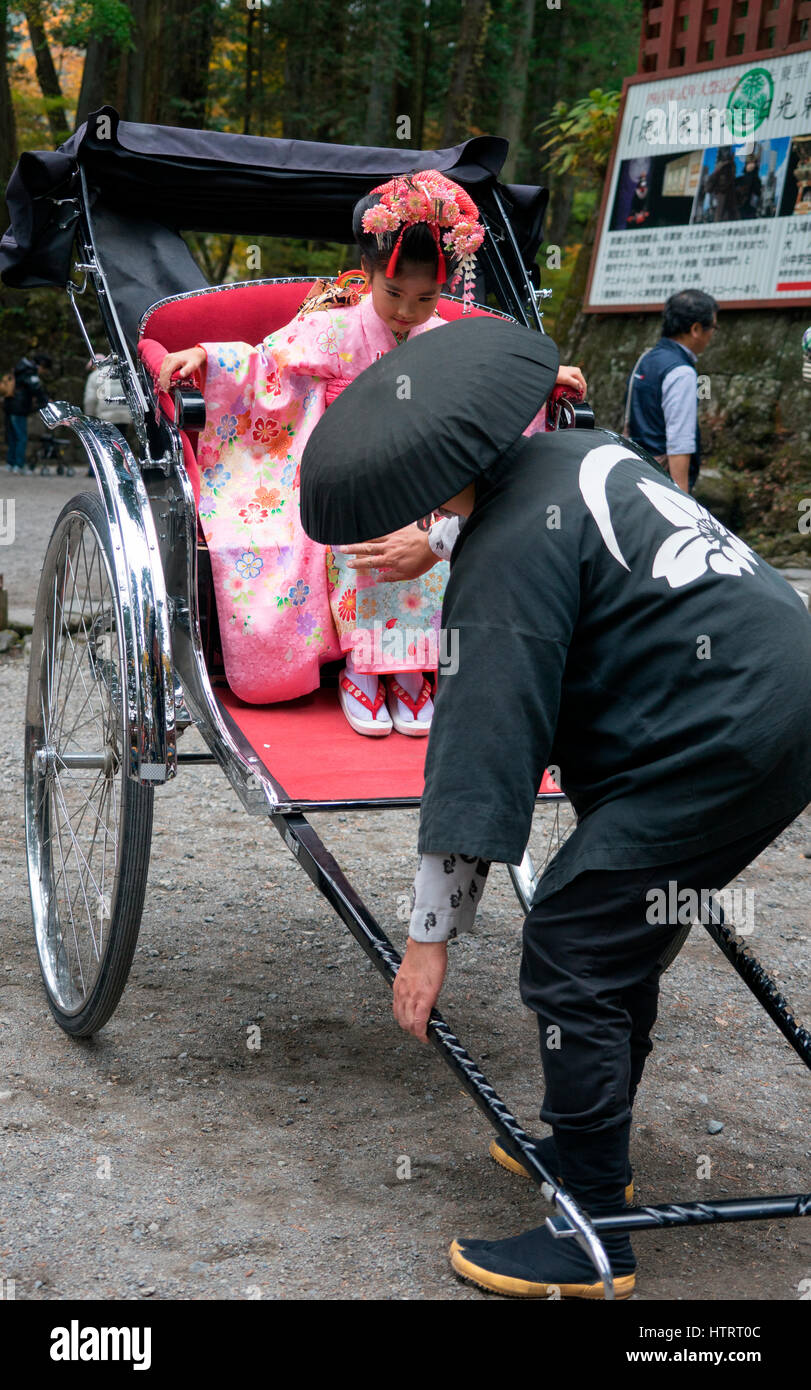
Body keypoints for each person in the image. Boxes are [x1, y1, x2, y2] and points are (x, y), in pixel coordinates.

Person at [300, 315, 811, 1300]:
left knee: (574, 939)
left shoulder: (497, 568)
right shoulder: (583, 449)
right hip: (779, 686)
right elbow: (523, 517)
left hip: (719, 730)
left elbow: (482, 752)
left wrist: (428, 935)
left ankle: (591, 1233)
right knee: (615, 922)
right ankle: (591, 1144)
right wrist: (439, 538)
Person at [157, 171, 585, 734]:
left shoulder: (445, 337)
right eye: (393, 294)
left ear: (445, 292)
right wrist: (208, 358)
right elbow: (266, 365)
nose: (407, 311)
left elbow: (490, 382)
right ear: (368, 276)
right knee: (364, 530)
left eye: (426, 298)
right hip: (342, 466)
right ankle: (364, 664)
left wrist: (544, 377)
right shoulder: (333, 330)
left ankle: (411, 668)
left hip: (424, 471)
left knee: (433, 519)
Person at [624, 287, 717, 493]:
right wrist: (682, 498)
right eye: (712, 327)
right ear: (695, 329)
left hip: (635, 469)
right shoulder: (682, 372)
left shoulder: (646, 358)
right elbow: (679, 442)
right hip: (661, 480)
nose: (712, 334)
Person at [4, 351, 50, 473]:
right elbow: (36, 389)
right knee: (21, 437)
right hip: (19, 408)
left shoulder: (21, 368)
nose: (42, 373)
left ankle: (10, 463)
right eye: (44, 370)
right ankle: (19, 465)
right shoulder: (30, 371)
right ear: (41, 366)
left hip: (10, 405)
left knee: (13, 436)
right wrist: (46, 400)